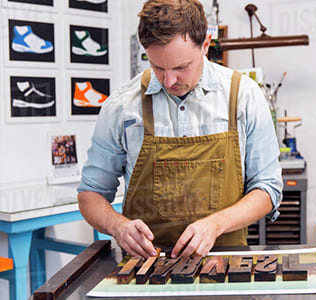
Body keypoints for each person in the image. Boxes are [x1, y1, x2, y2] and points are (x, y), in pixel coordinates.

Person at [77, 0, 282, 259]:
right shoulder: (121, 106)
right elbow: (90, 194)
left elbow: (267, 189)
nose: (169, 81)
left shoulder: (244, 97)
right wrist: (118, 227)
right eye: (158, 68)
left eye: (181, 67)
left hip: (226, 265)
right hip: (147, 271)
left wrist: (215, 225)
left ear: (206, 44)